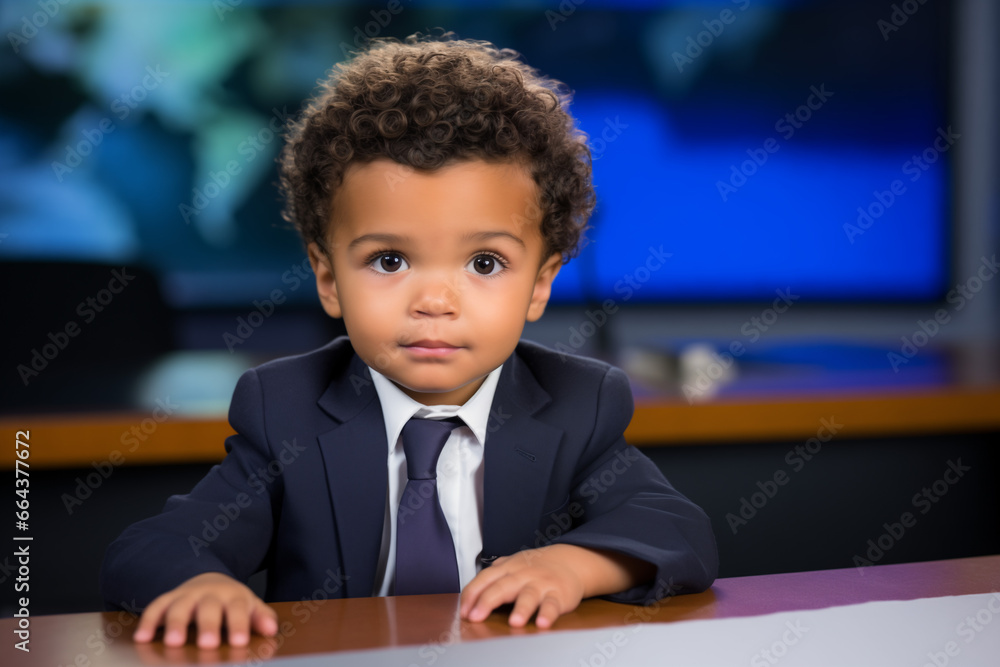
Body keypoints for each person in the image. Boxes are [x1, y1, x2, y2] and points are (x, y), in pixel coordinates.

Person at [101, 30, 718, 649]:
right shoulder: (285, 410)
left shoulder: (577, 403)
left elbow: (678, 531)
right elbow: (155, 545)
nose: (434, 302)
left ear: (540, 284)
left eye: (484, 263)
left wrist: (573, 566)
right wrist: (201, 583)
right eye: (390, 260)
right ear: (328, 278)